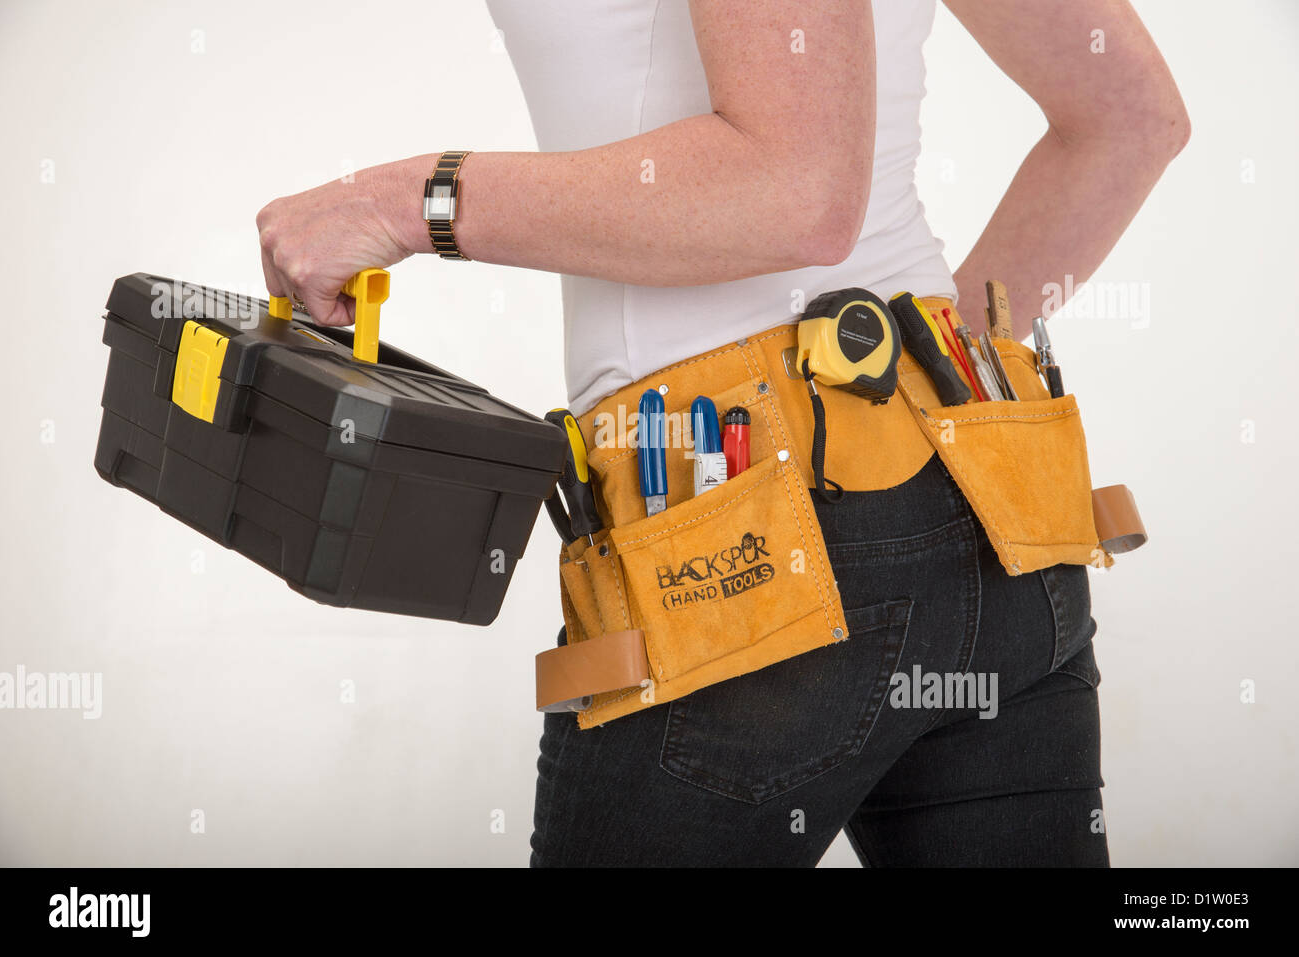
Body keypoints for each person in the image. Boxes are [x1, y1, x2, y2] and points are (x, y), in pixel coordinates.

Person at [257, 0, 1188, 866]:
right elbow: (1130, 120)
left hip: (738, 549)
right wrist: (940, 373)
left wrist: (401, 202)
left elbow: (800, 190)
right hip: (994, 504)